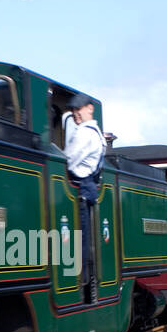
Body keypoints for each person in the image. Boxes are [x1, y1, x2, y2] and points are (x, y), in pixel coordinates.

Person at [64, 93, 105, 301]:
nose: (75, 114)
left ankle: (82, 284)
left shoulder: (83, 133)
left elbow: (69, 160)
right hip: (89, 187)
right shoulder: (96, 132)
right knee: (86, 238)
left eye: (78, 109)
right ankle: (88, 284)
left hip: (81, 186)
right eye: (72, 111)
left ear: (89, 108)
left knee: (82, 238)